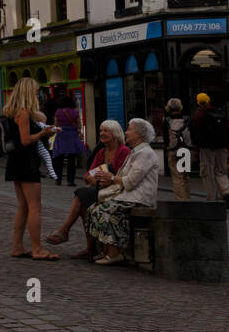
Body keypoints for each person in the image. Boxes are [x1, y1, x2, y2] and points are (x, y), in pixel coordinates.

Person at [44, 120, 129, 257]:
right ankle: (88, 247)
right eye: (101, 131)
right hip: (100, 189)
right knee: (84, 203)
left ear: (115, 134)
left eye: (105, 131)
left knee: (82, 195)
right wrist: (93, 178)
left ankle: (66, 231)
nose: (102, 134)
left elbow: (121, 175)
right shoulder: (101, 152)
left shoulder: (123, 152)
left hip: (116, 191)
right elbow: (89, 174)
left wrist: (101, 179)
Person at [86, 118, 160, 265]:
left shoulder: (145, 153)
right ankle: (105, 250)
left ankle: (115, 253)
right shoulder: (135, 152)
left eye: (130, 129)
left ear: (139, 133)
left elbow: (130, 182)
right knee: (92, 209)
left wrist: (112, 177)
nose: (126, 132)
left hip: (139, 197)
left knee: (105, 211)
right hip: (128, 195)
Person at [3, 76, 61, 260]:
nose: (38, 94)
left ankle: (18, 246)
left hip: (15, 162)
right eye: (36, 91)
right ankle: (37, 249)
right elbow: (26, 140)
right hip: (26, 162)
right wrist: (44, 133)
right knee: (35, 206)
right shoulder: (23, 113)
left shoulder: (14, 112)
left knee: (23, 206)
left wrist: (42, 128)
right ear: (29, 92)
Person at [191, 92, 229, 208]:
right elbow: (228, 132)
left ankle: (212, 199)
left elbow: (194, 132)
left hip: (206, 148)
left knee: (207, 173)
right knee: (221, 171)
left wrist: (196, 147)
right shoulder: (220, 113)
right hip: (222, 147)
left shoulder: (199, 115)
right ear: (209, 101)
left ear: (198, 102)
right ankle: (226, 192)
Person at [50, 97, 85, 186]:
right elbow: (79, 126)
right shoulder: (75, 112)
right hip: (72, 136)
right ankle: (70, 181)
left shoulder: (58, 112)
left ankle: (58, 179)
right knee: (71, 159)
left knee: (59, 158)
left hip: (61, 135)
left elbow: (55, 125)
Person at [163, 98, 192, 200]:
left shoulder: (167, 121)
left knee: (177, 177)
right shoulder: (187, 119)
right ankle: (187, 198)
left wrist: (167, 149)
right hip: (186, 151)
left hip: (174, 151)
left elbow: (166, 138)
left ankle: (181, 201)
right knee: (186, 176)